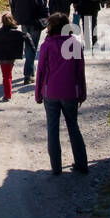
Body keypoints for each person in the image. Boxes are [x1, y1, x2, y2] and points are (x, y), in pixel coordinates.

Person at [35, 13, 88, 175]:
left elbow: (41, 72)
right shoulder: (75, 44)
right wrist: (82, 93)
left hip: (50, 91)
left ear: (51, 27)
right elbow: (80, 71)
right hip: (70, 92)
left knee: (52, 128)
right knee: (73, 127)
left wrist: (38, 93)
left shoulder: (46, 45)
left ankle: (56, 167)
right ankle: (82, 164)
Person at [9, 0, 48, 85]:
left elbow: (11, 0)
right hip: (35, 18)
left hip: (22, 18)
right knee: (33, 45)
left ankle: (30, 70)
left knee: (28, 44)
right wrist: (45, 14)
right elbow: (43, 1)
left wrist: (15, 14)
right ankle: (28, 73)